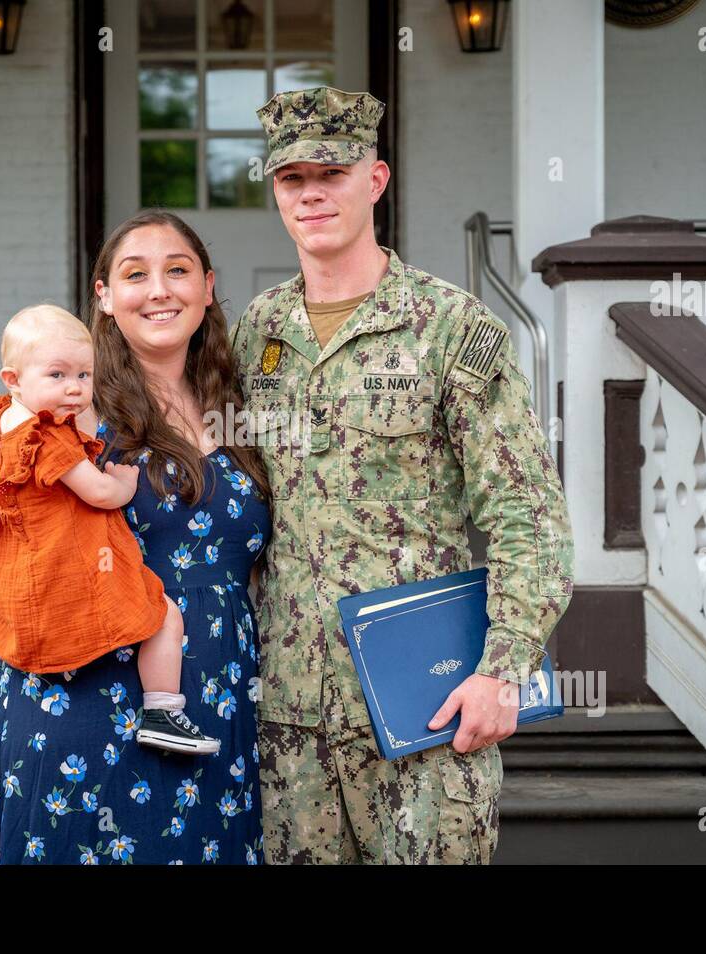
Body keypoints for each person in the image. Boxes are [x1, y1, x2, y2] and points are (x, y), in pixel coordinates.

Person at [229, 86, 575, 864]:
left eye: (334, 171)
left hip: (427, 711)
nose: (312, 192)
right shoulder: (257, 334)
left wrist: (504, 670)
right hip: (290, 722)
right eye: (292, 178)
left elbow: (529, 516)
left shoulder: (452, 328)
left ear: (375, 180)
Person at [0, 215, 270, 865]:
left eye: (177, 270)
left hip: (210, 706)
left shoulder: (236, 406)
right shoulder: (68, 401)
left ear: (207, 287)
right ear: (103, 295)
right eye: (135, 275)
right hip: (83, 700)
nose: (159, 289)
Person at [0, 304, 220, 756]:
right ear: (13, 379)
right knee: (161, 613)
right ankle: (162, 710)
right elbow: (96, 493)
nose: (74, 389)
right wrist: (123, 484)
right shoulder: (47, 438)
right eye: (57, 376)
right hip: (56, 558)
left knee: (0, 619)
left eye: (84, 376)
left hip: (9, 555)